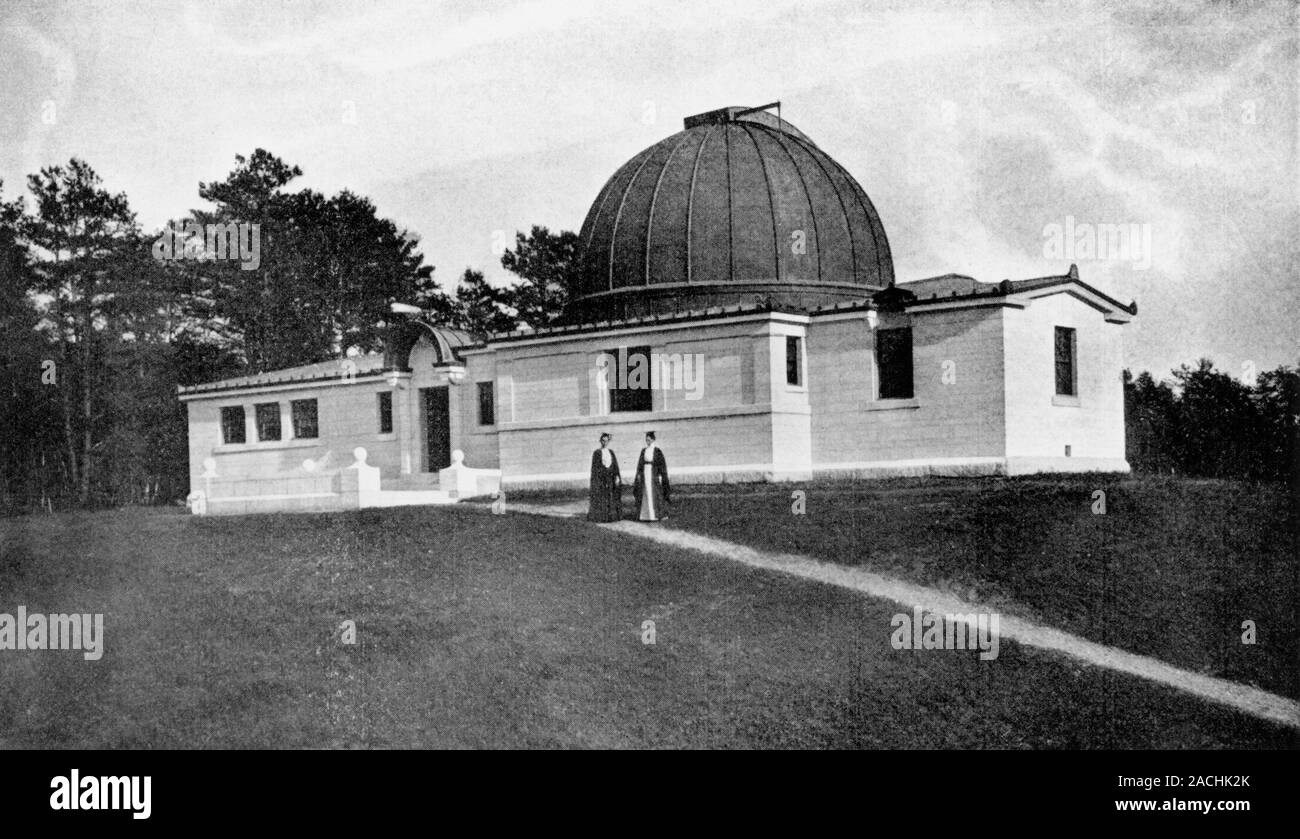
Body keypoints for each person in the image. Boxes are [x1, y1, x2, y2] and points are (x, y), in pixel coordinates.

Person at [633, 431, 670, 522]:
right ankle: (645, 515)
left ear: (653, 440)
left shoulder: (657, 451)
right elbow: (640, 464)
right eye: (646, 440)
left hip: (653, 474)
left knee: (653, 493)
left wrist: (661, 475)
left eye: (649, 440)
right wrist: (638, 474)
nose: (648, 442)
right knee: (645, 492)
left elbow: (661, 464)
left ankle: (655, 515)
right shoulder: (644, 450)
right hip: (644, 474)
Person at [587, 432, 623, 522]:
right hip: (602, 479)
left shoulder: (611, 452)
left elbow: (615, 465)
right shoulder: (597, 453)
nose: (605, 443)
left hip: (610, 478)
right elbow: (595, 468)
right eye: (603, 441)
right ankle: (602, 517)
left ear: (608, 442)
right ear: (600, 441)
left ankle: (612, 516)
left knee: (611, 496)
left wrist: (617, 476)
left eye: (606, 441)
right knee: (602, 497)